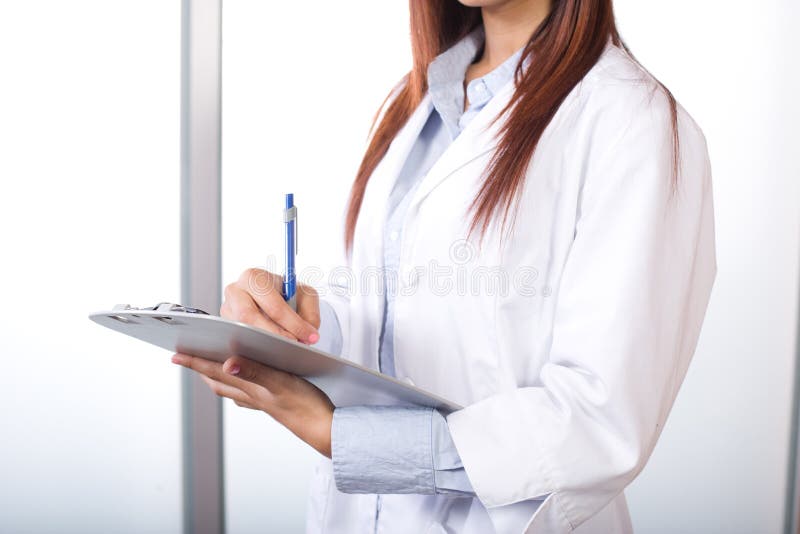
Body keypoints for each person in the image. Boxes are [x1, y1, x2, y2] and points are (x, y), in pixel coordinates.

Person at [170, 0, 717, 531]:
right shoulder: (418, 103)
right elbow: (400, 319)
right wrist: (299, 327)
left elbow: (599, 422)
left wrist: (344, 438)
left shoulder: (634, 123)